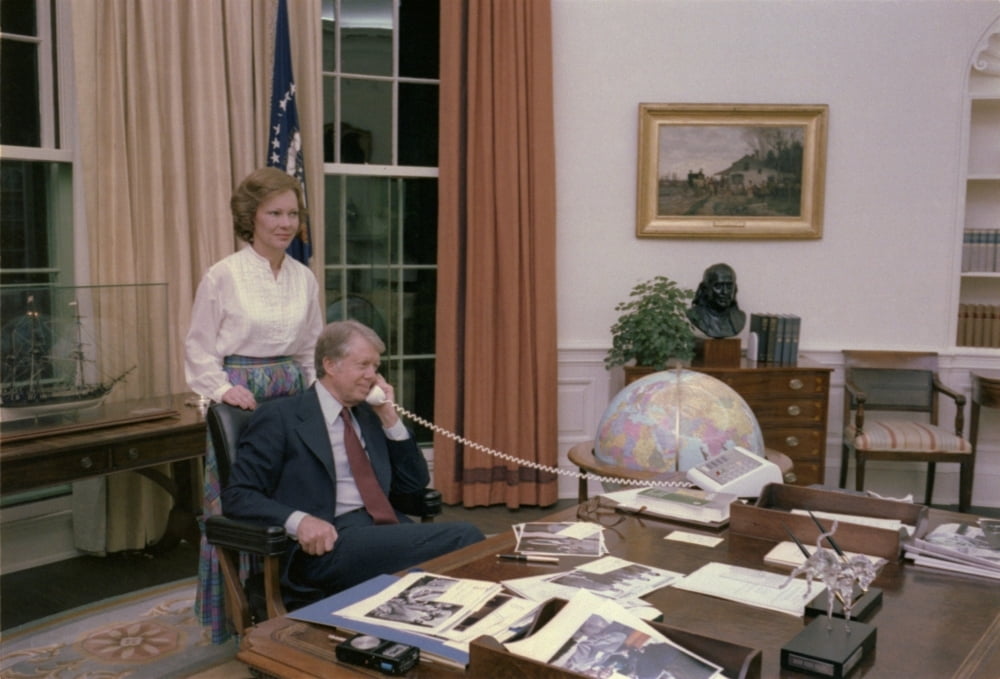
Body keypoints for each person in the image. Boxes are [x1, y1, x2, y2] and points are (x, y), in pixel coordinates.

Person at [222, 320, 485, 602]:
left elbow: (413, 485)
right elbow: (238, 495)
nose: (373, 376)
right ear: (331, 365)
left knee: (450, 570)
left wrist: (389, 416)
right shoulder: (281, 417)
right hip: (328, 542)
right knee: (464, 537)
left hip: (383, 530)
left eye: (376, 367)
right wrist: (300, 522)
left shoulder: (369, 415)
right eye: (363, 365)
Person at [184, 167, 323, 642]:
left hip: (292, 390)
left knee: (298, 496)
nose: (286, 223)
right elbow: (199, 347)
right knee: (243, 501)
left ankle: (292, 599)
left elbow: (310, 349)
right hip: (241, 400)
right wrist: (223, 390)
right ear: (251, 217)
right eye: (274, 213)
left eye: (292, 213)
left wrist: (314, 401)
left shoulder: (305, 278)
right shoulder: (222, 275)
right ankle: (236, 613)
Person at [686, 262, 746, 338]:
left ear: (735, 288)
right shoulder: (695, 315)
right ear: (704, 289)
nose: (725, 292)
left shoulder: (739, 318)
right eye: (718, 286)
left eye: (729, 286)